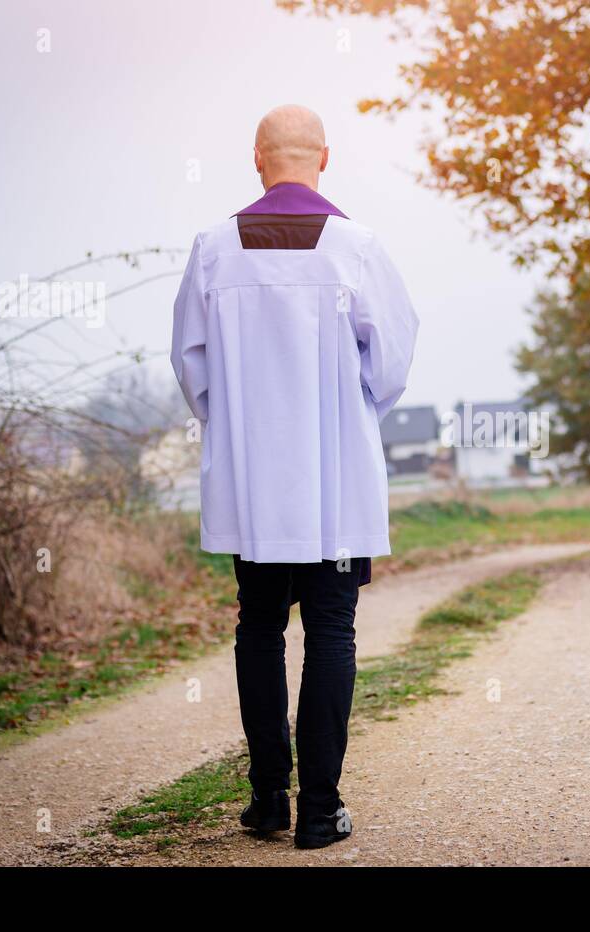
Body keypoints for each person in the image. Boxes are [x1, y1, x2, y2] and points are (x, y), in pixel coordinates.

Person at [171, 104, 419, 849]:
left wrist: (240, 428)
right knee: (332, 631)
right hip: (335, 478)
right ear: (325, 158)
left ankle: (267, 799)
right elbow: (394, 363)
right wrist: (349, 410)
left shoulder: (214, 249)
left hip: (252, 485)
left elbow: (192, 367)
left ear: (257, 160)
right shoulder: (357, 247)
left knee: (259, 628)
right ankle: (320, 811)